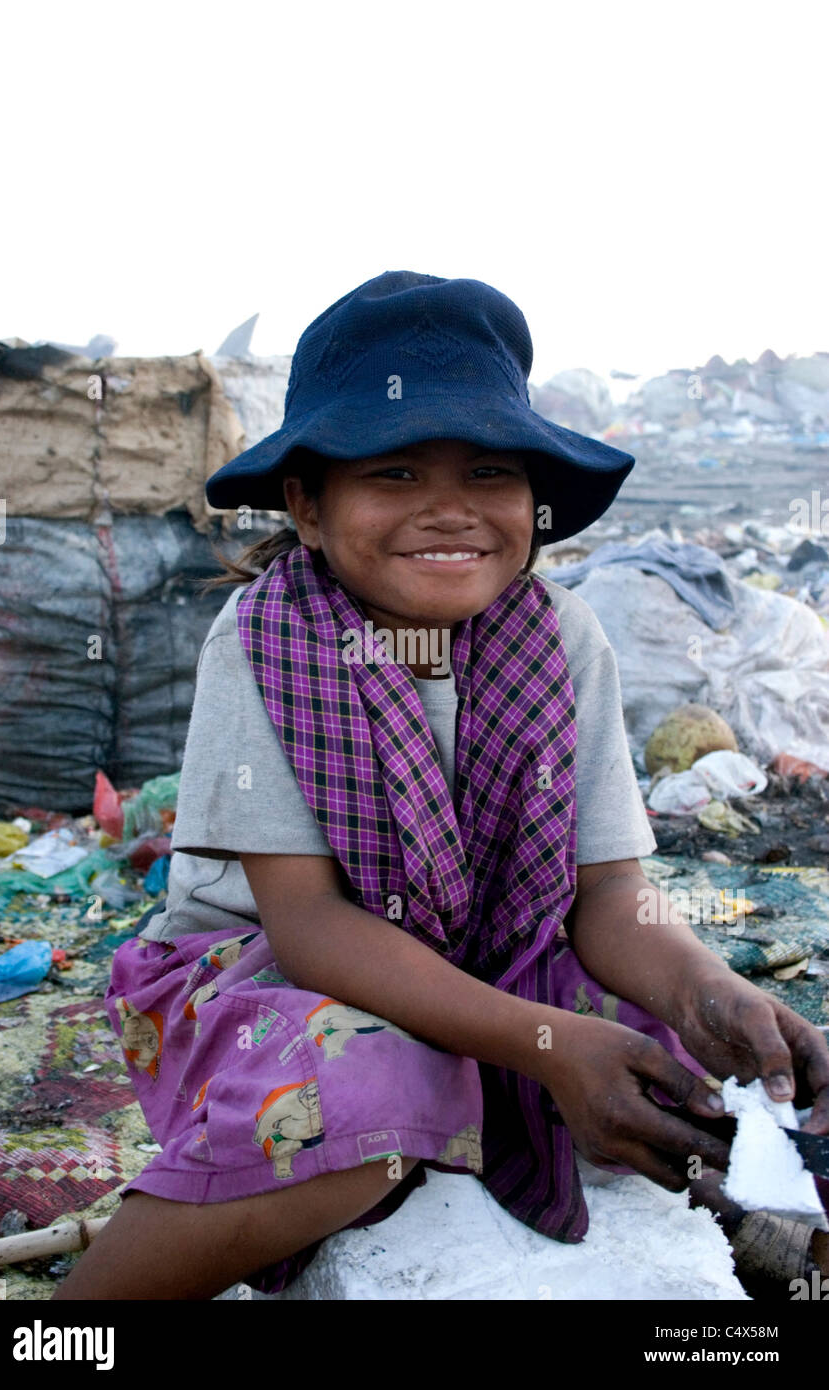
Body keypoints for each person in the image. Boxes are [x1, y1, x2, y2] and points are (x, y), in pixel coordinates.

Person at [53, 271, 829, 1301]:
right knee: (373, 1087)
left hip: (498, 954)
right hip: (267, 972)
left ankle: (780, 1256)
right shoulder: (266, 647)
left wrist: (707, 990)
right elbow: (307, 925)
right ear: (308, 505)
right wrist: (544, 1042)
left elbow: (607, 894)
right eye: (397, 474)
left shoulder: (562, 640)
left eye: (488, 472)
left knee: (713, 1072)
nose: (449, 510)